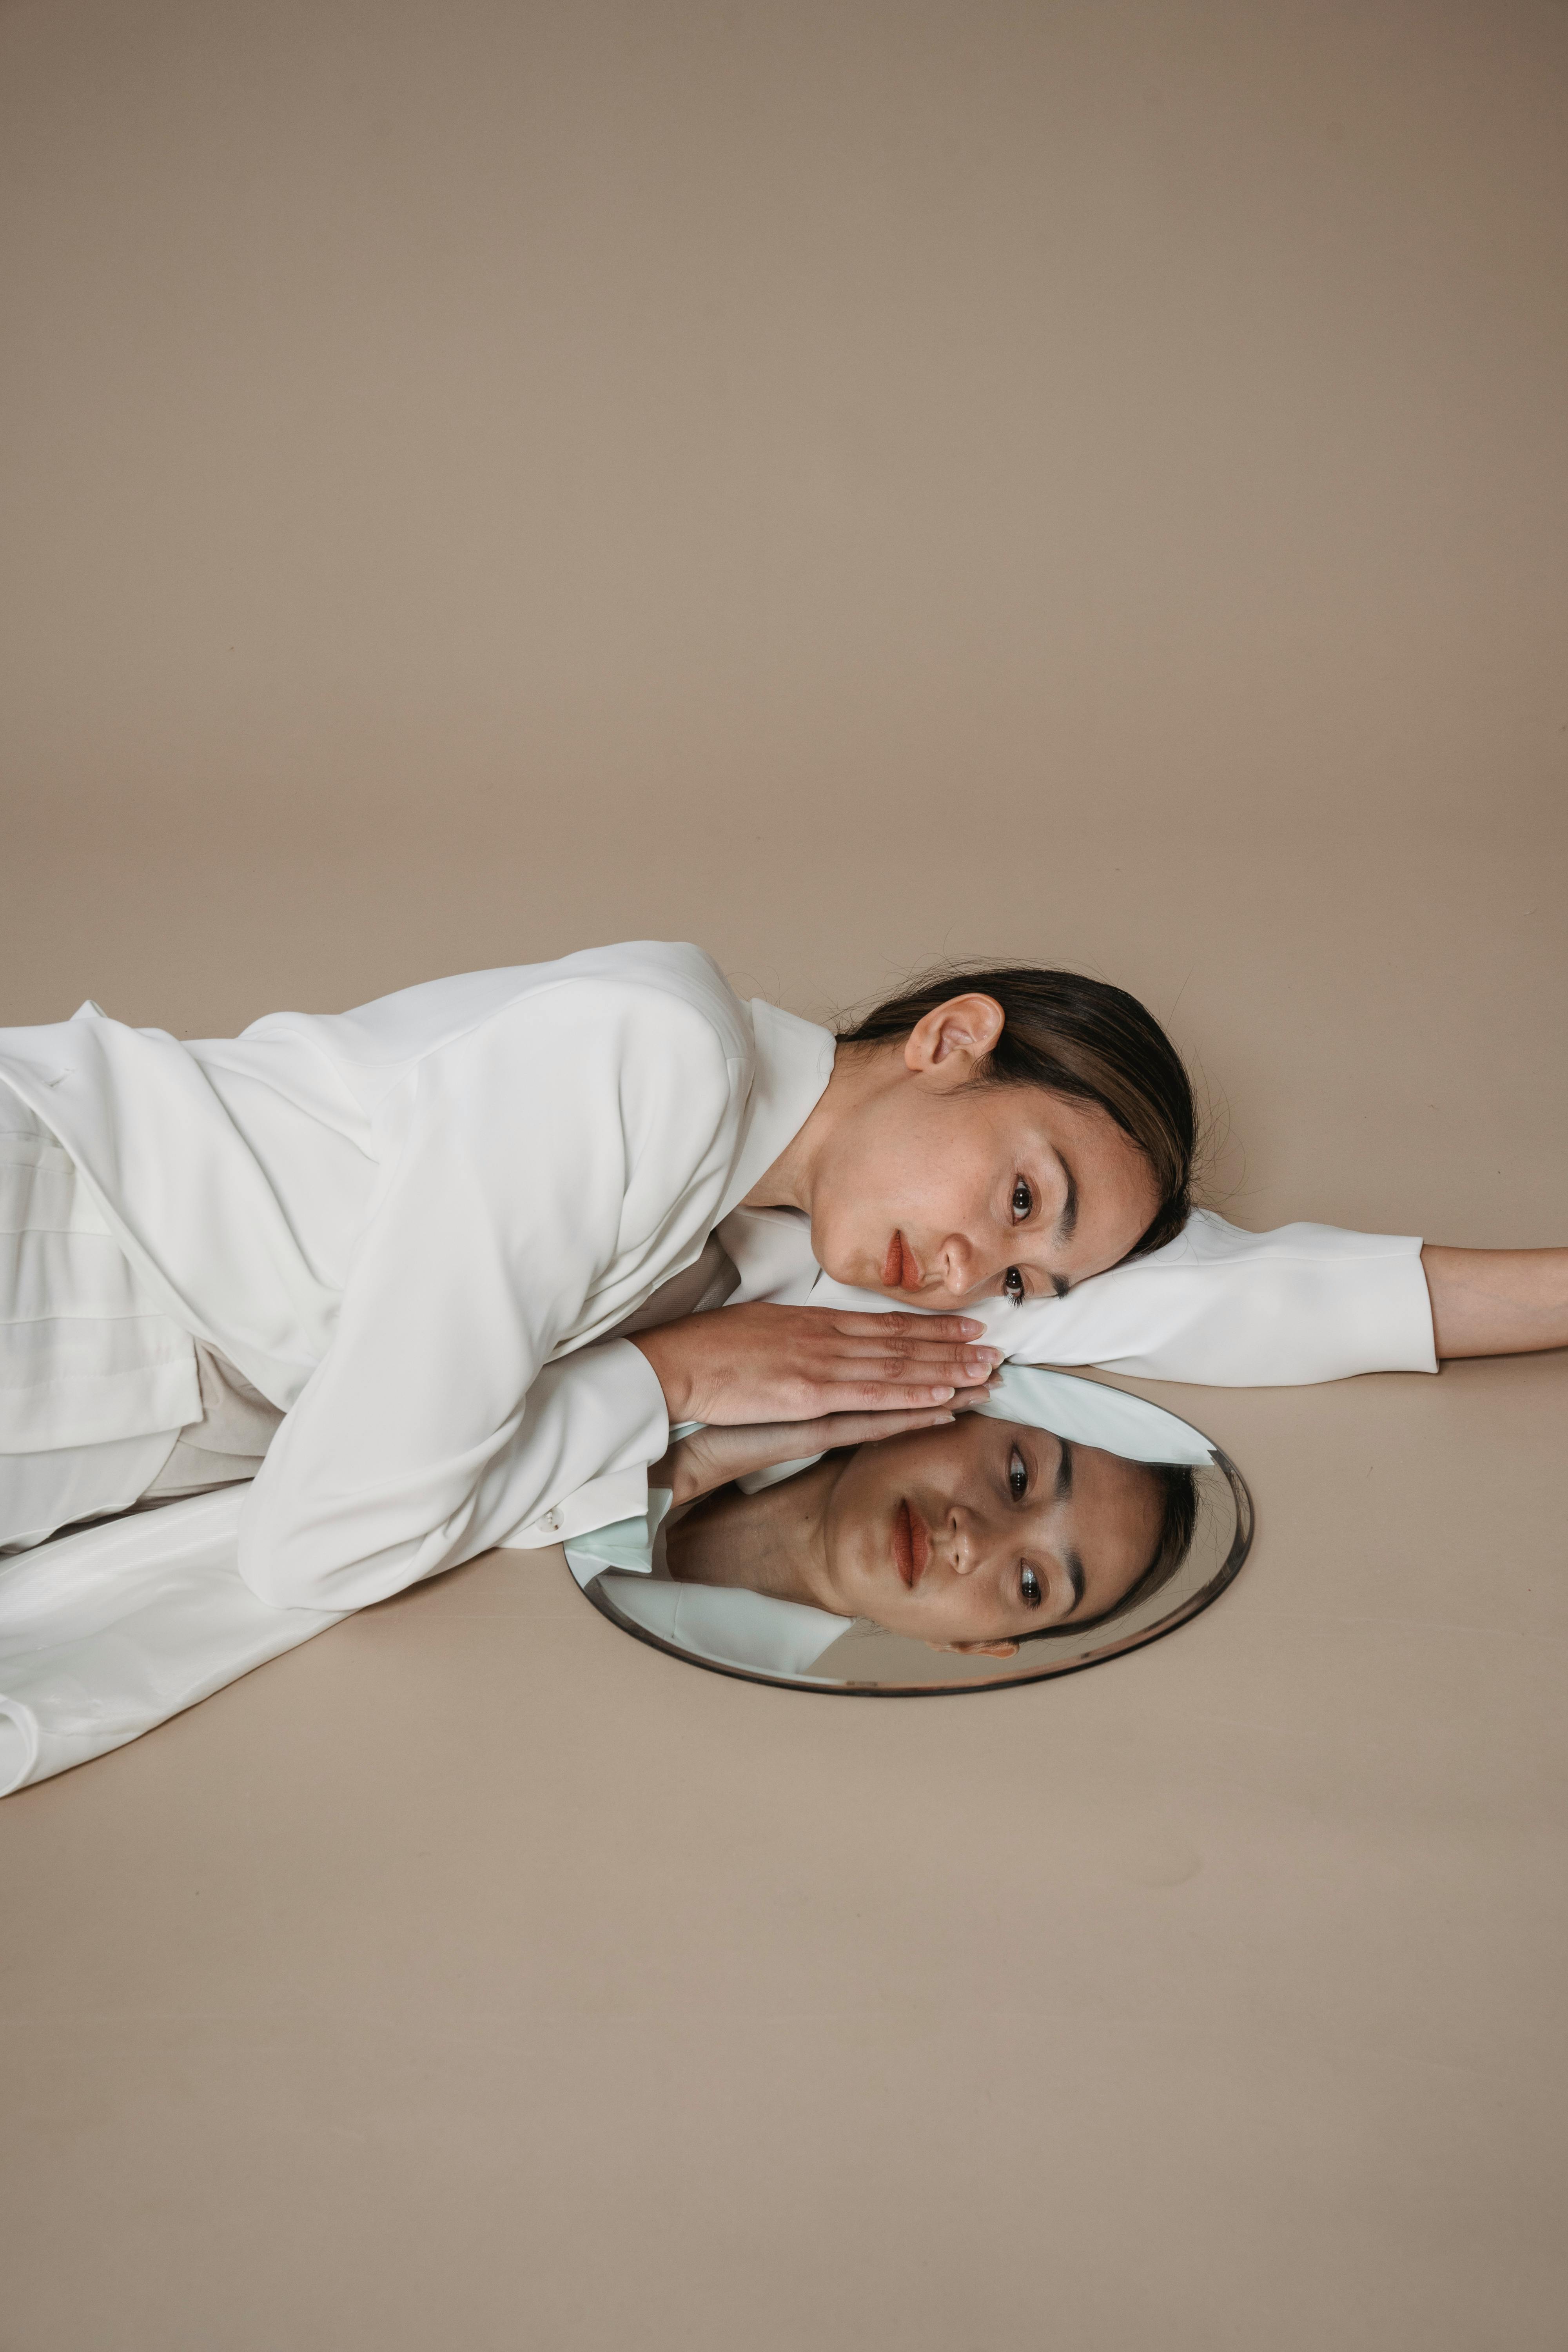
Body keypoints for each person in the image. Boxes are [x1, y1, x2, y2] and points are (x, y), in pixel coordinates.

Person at [2, 942, 1564, 1612]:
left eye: (1018, 1277)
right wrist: (657, 1385)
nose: (971, 1267)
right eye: (1020, 1193)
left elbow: (1224, 1298)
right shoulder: (655, 1062)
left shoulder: (762, 1229)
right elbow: (325, 1546)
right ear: (951, 1040)